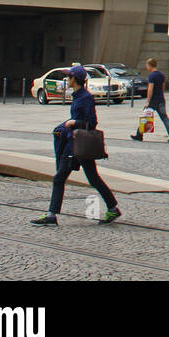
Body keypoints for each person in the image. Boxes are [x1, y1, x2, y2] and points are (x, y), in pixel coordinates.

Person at [31, 66, 121, 225]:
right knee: (92, 178)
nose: (66, 79)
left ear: (75, 79)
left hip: (77, 146)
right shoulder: (78, 96)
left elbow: (92, 123)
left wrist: (74, 122)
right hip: (76, 144)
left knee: (59, 178)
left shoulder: (85, 97)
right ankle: (113, 208)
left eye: (69, 77)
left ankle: (51, 215)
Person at [131, 57, 169, 143]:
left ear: (149, 65)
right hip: (161, 99)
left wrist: (147, 101)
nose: (146, 67)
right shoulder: (161, 74)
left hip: (153, 101)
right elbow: (163, 87)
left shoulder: (152, 75)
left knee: (145, 117)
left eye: (147, 65)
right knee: (164, 117)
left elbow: (150, 89)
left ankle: (139, 135)